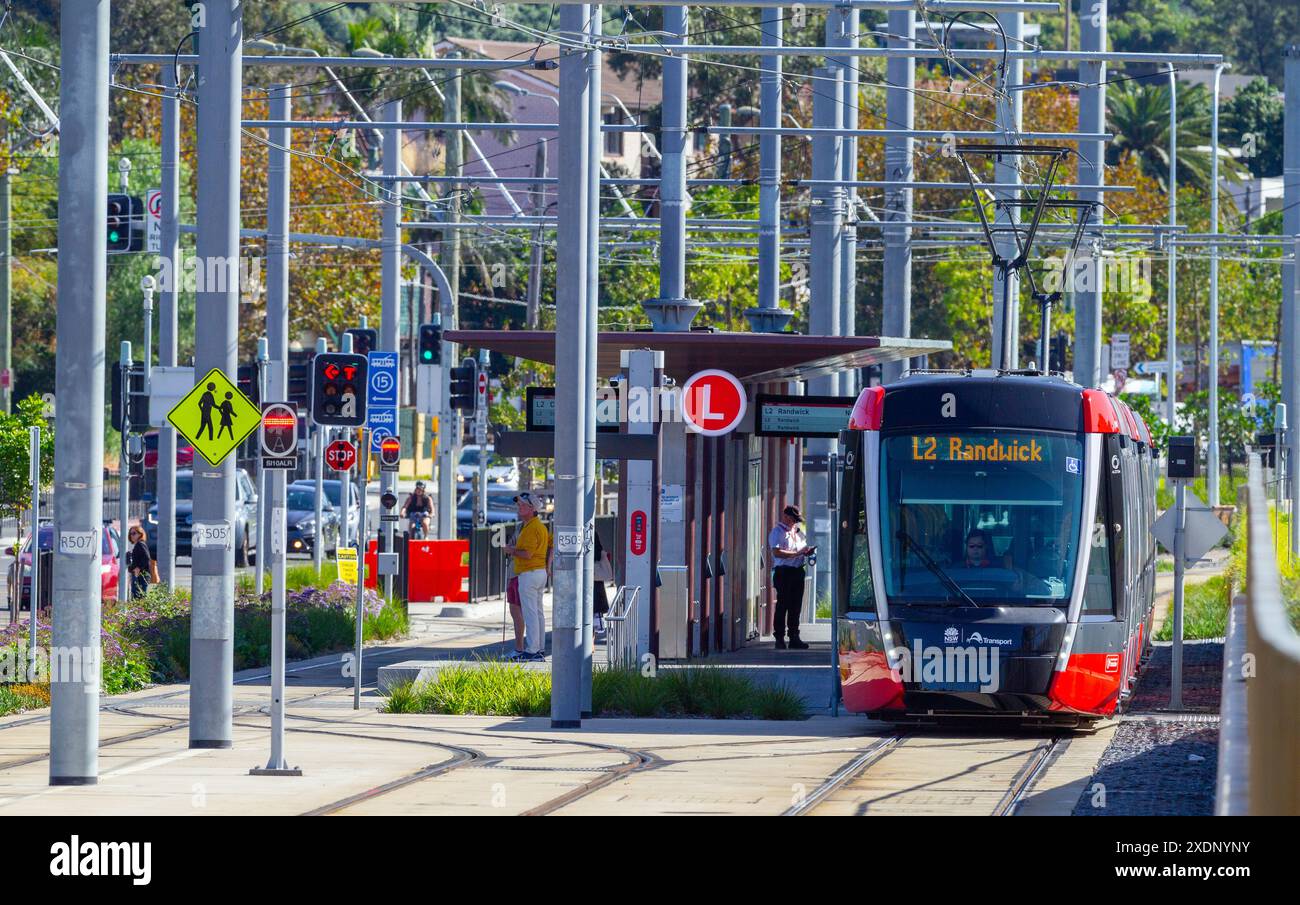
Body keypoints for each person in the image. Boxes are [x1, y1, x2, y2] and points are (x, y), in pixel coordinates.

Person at [502, 492, 550, 661]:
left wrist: (511, 550)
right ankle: (539, 648)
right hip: (538, 572)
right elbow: (548, 545)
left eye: (523, 505)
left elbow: (527, 553)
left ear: (532, 508)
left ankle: (532, 650)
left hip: (529, 573)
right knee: (537, 613)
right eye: (519, 504)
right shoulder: (538, 526)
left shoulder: (531, 528)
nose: (519, 507)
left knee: (531, 614)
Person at [769, 505, 813, 650]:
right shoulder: (778, 532)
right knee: (783, 605)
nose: (795, 522)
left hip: (797, 571)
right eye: (793, 519)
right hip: (784, 572)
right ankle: (779, 638)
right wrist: (795, 554)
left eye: (796, 520)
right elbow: (776, 552)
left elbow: (801, 549)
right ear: (786, 516)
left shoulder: (799, 532)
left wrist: (805, 552)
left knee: (796, 606)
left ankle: (794, 636)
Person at [592, 531, 612, 639]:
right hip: (597, 586)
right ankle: (591, 643)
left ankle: (589, 643)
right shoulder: (598, 551)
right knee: (594, 614)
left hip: (589, 587)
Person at [127, 525, 154, 600]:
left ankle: (141, 611)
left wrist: (138, 568)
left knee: (139, 597)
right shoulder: (138, 545)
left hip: (141, 575)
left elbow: (146, 557)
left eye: (134, 533)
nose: (131, 535)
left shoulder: (140, 544)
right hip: (139, 575)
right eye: (130, 533)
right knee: (137, 596)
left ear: (140, 534)